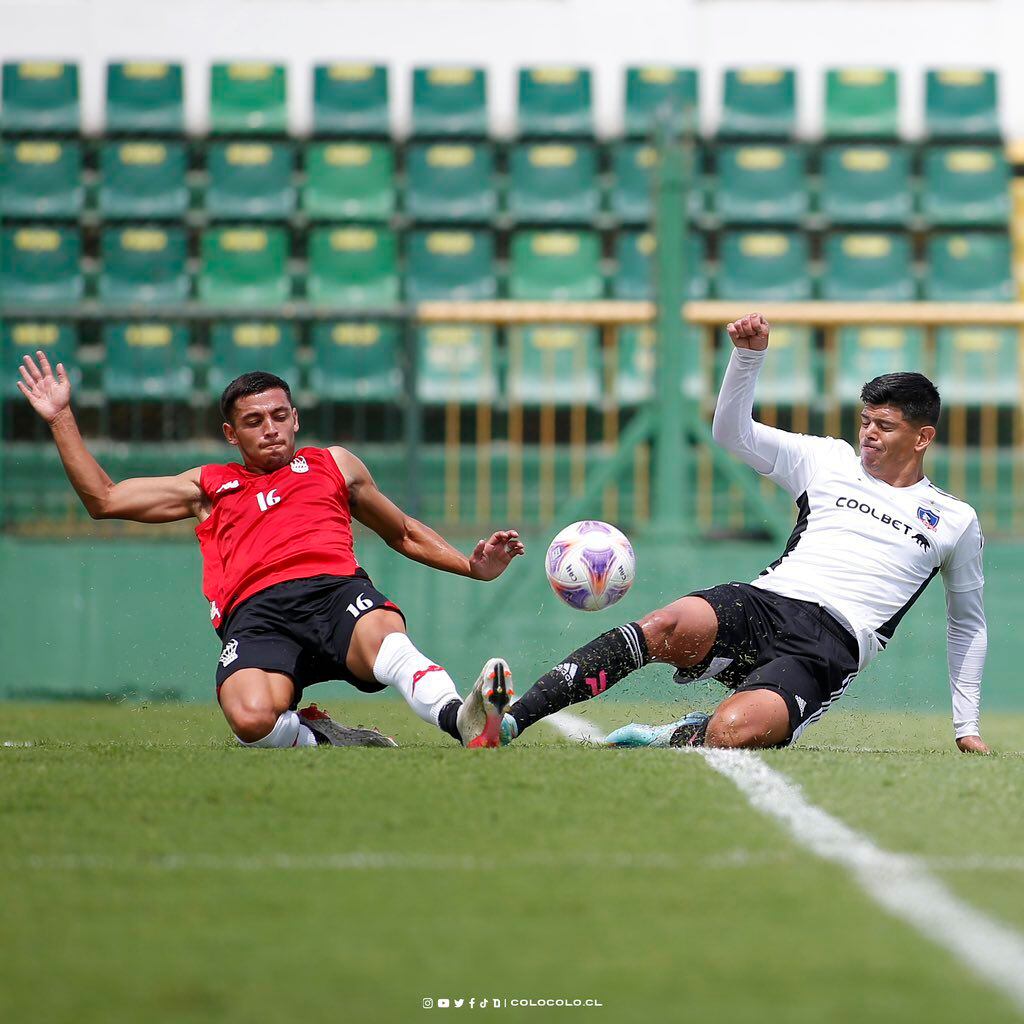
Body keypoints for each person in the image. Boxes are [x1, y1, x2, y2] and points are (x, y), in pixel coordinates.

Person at [499, 313, 990, 754]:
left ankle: (684, 732)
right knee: (665, 624)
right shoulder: (826, 459)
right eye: (864, 420)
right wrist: (747, 358)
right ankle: (510, 721)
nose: (868, 433)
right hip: (765, 602)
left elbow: (967, 624)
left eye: (884, 424)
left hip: (828, 646)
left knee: (731, 732)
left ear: (922, 437)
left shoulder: (954, 518)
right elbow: (732, 433)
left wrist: (965, 726)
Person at [17, 354, 524, 749]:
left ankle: (462, 720)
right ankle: (319, 738)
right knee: (251, 720)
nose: (271, 428)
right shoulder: (209, 486)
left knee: (384, 637)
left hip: (336, 594)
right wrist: (60, 416)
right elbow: (103, 499)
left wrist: (471, 566)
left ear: (296, 419)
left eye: (280, 415)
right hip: (256, 616)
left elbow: (404, 533)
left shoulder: (335, 464)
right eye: (255, 421)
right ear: (230, 434)